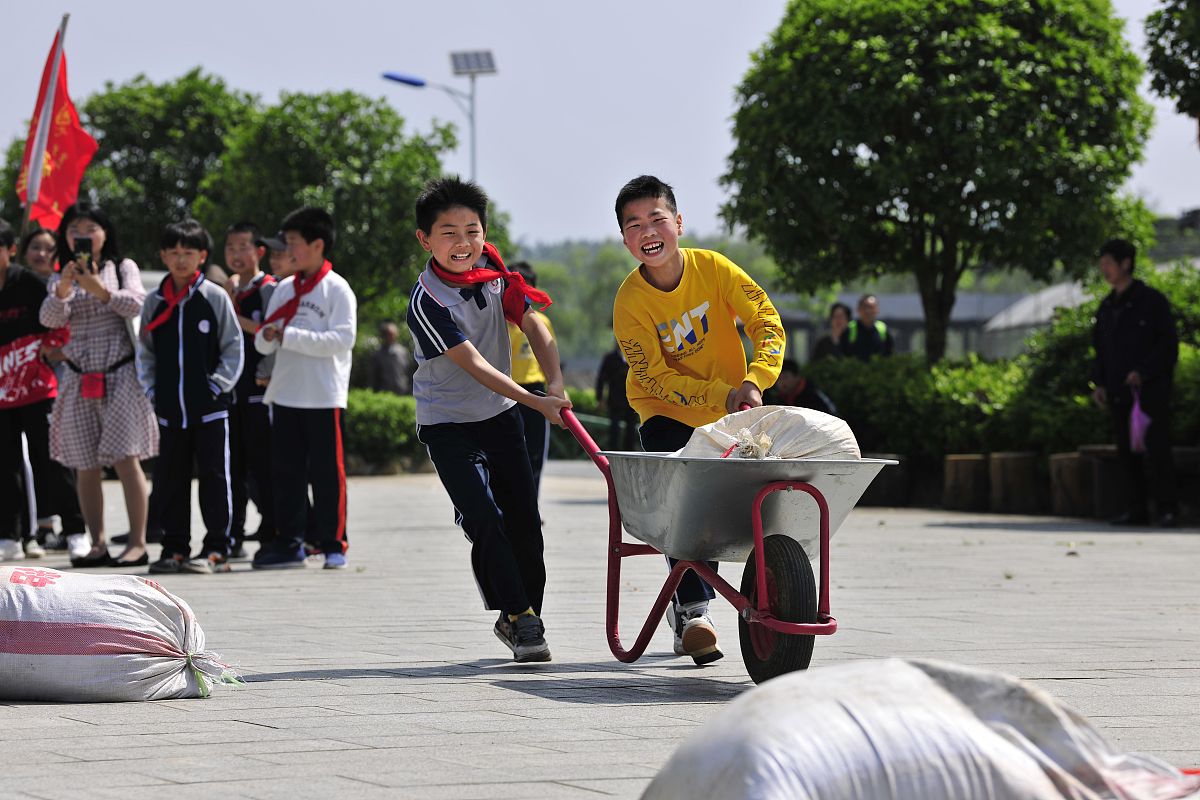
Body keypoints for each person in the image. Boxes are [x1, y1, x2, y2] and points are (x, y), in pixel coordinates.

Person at [611, 175, 784, 665]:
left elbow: (766, 322)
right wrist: (721, 394)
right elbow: (655, 377)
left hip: (733, 411)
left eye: (657, 218)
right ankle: (692, 612)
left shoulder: (714, 268)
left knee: (733, 504)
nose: (648, 231)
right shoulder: (629, 303)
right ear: (625, 239)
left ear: (679, 222)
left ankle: (748, 590)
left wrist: (755, 379)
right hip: (664, 411)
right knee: (688, 502)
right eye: (634, 224)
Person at [405, 177, 569, 663]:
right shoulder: (427, 301)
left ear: (484, 233)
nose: (463, 244)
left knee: (526, 524)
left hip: (500, 419)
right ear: (425, 239)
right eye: (449, 233)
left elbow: (534, 324)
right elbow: (474, 365)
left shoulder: (494, 274)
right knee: (487, 519)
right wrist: (535, 402)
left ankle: (522, 616)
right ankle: (520, 616)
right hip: (448, 425)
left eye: (472, 231)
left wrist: (555, 384)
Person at [40, 203, 157, 567]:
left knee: (125, 459)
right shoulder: (61, 276)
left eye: (91, 228)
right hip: (78, 376)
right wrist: (64, 287)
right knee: (84, 464)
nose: (82, 235)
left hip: (119, 373)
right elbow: (48, 318)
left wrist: (100, 289)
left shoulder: (122, 268)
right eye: (74, 229)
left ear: (105, 233)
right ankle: (98, 543)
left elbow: (137, 305)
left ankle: (137, 542)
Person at [252, 208, 357, 570]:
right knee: (287, 475)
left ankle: (334, 545)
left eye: (293, 243)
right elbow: (264, 341)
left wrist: (288, 335)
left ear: (317, 245)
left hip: (324, 396)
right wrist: (269, 336)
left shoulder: (337, 288)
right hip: (285, 394)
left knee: (328, 475)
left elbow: (342, 340)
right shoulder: (283, 288)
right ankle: (290, 543)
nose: (288, 251)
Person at [138, 220, 243, 573]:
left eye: (188, 252)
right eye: (174, 252)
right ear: (163, 256)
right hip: (170, 410)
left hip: (210, 410)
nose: (180, 260)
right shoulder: (154, 301)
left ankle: (217, 549)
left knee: (214, 478)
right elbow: (145, 351)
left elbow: (233, 346)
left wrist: (216, 386)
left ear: (202, 256)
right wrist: (152, 389)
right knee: (171, 480)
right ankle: (175, 548)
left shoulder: (214, 297)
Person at [0, 221, 83, 561]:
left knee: (52, 460)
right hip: (3, 395)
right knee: (6, 465)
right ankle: (11, 536)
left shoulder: (30, 283)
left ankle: (76, 530)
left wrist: (52, 347)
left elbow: (61, 319)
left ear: (10, 250)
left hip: (38, 389)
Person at [1090, 238, 1179, 528]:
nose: (1104, 269)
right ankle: (1136, 509)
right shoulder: (1106, 308)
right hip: (1119, 392)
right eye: (1102, 264)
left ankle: (1167, 509)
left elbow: (1168, 346)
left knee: (1157, 450)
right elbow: (1101, 350)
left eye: (1108, 263)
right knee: (1127, 452)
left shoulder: (1152, 302)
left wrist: (1144, 371)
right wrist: (1100, 383)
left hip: (1149, 393)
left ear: (1125, 263)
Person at [221, 221, 276, 557]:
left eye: (243, 247)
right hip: (231, 390)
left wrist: (231, 310)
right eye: (230, 248)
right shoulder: (226, 291)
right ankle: (233, 537)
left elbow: (270, 332)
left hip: (260, 388)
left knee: (263, 465)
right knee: (233, 467)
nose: (236, 254)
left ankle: (272, 533)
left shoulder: (270, 288)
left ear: (259, 251)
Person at [506, 261, 558, 494]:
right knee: (506, 452)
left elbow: (550, 357)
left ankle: (531, 504)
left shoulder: (541, 322)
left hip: (535, 390)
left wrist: (557, 386)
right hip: (506, 391)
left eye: (525, 289)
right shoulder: (497, 322)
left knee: (534, 453)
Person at [595, 344, 638, 450]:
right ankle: (613, 454)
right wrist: (600, 398)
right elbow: (601, 379)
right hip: (615, 400)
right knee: (614, 430)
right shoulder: (610, 358)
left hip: (632, 401)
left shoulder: (636, 356)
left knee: (631, 430)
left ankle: (629, 454)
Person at [762, 358, 837, 415]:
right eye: (778, 379)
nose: (782, 382)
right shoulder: (776, 399)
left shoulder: (812, 395)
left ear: (797, 377)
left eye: (785, 377)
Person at [842, 294, 894, 360]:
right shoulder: (849, 329)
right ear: (858, 310)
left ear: (877, 310)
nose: (868, 311)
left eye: (871, 307)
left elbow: (890, 354)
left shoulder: (883, 329)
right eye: (865, 307)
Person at [368, 321, 414, 395]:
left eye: (392, 334)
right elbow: (374, 377)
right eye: (388, 334)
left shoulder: (402, 352)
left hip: (402, 391)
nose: (390, 337)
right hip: (384, 393)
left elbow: (409, 372)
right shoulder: (378, 354)